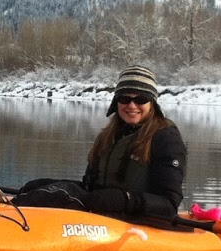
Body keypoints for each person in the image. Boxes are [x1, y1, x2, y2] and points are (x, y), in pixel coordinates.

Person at [13, 66, 188, 220]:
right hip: (102, 216)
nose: (132, 105)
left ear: (152, 103)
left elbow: (169, 204)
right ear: (116, 102)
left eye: (141, 99)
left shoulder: (166, 139)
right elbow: (91, 189)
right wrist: (48, 185)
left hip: (138, 221)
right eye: (124, 99)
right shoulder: (109, 135)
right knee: (49, 190)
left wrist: (125, 199)